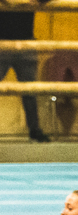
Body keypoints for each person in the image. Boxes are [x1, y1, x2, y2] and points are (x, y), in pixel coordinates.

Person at [0, 6, 50, 143]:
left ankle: (35, 130)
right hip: (5, 43)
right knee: (30, 91)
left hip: (25, 43)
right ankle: (35, 130)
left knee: (30, 91)